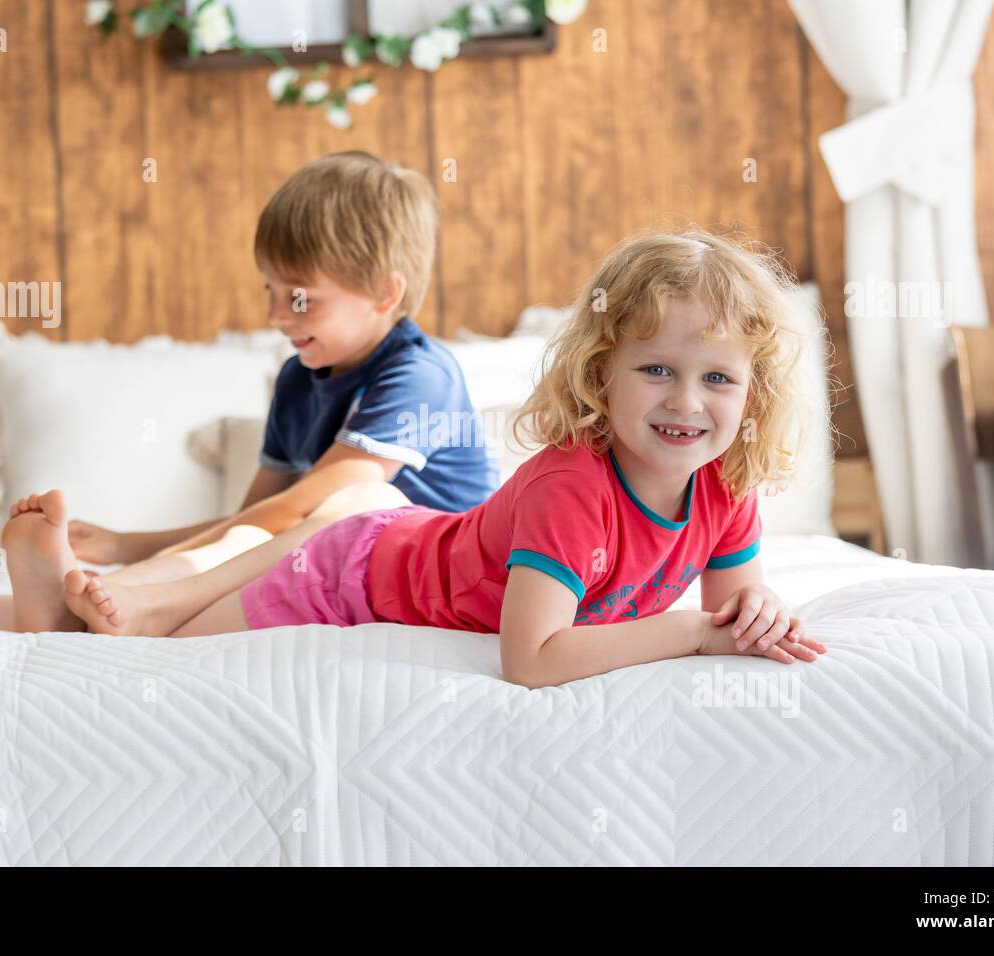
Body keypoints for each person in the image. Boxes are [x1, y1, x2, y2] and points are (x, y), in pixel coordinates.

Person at [50, 229, 831, 688]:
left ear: (751, 396)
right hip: (350, 574)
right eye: (656, 369)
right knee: (150, 657)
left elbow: (731, 615)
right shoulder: (573, 487)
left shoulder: (729, 485)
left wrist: (755, 615)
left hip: (394, 534)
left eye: (718, 378)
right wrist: (694, 631)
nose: (687, 403)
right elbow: (534, 659)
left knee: (151, 621)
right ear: (601, 374)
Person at [0, 151, 496, 632]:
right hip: (330, 573)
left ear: (386, 292)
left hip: (427, 583)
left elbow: (300, 513)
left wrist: (131, 572)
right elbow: (252, 525)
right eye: (268, 291)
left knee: (362, 499)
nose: (276, 316)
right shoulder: (299, 379)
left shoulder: (419, 375)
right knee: (224, 575)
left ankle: (82, 604)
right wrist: (128, 545)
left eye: (299, 296)